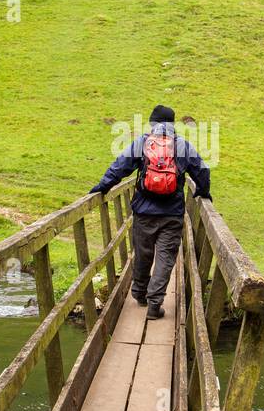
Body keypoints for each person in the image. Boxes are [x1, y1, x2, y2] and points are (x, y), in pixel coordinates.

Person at [89, 104, 211, 320]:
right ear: (172, 125)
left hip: (143, 211)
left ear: (153, 123)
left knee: (143, 254)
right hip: (172, 213)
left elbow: (120, 166)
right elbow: (202, 169)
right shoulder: (182, 145)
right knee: (165, 257)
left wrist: (103, 186)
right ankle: (155, 304)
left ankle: (139, 293)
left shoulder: (143, 142)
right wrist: (202, 191)